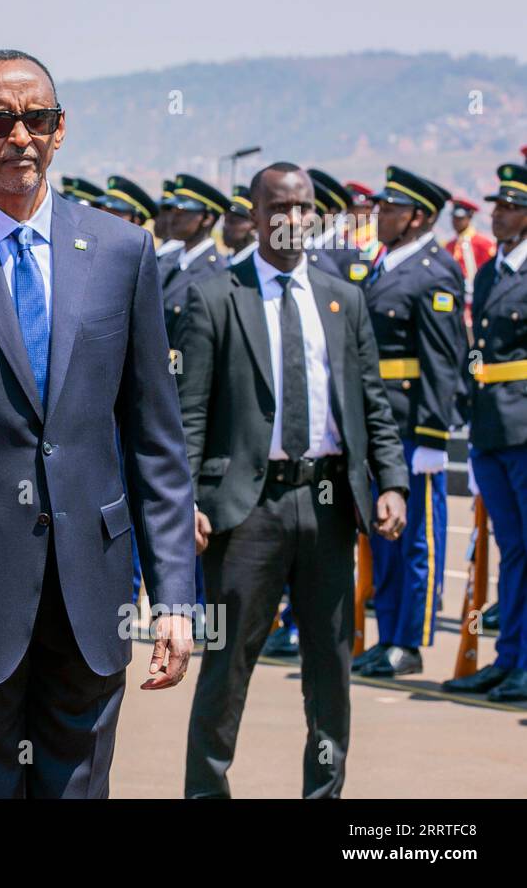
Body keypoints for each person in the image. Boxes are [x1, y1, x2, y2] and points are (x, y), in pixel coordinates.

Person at [0, 49, 194, 799]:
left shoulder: (121, 252)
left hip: (93, 592)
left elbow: (156, 440)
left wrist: (176, 593)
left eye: (37, 118)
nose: (20, 136)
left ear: (60, 129)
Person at [180, 162, 409, 798]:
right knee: (227, 670)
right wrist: (189, 503)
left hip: (329, 504)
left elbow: (372, 405)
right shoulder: (217, 298)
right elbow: (190, 416)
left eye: (304, 207)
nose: (293, 219)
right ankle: (206, 793)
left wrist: (390, 482)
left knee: (330, 671)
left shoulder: (345, 299)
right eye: (278, 208)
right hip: (246, 513)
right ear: (253, 217)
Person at [355, 167, 465, 678]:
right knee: (386, 537)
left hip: (410, 426)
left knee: (417, 537)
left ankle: (411, 642)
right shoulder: (384, 264)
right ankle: (388, 636)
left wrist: (432, 437)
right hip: (378, 425)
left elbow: (443, 361)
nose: (379, 214)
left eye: (390, 208)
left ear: (417, 217)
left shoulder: (434, 270)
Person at [444, 163, 527, 701]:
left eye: (511, 207)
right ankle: (511, 657)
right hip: (492, 426)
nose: (498, 216)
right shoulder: (494, 270)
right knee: (513, 549)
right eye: (497, 207)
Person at [159, 173, 228, 350]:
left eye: (182, 212)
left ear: (207, 219)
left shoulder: (217, 273)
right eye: (172, 210)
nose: (173, 218)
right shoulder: (167, 260)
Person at [445, 196, 495, 329]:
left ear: (469, 217)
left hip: (476, 303)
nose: (455, 222)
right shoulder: (449, 245)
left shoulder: (483, 244)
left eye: (460, 218)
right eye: (454, 217)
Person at [223, 185, 257, 266]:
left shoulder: (256, 264)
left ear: (254, 226)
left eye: (233, 221)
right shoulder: (228, 260)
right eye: (225, 220)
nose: (225, 227)